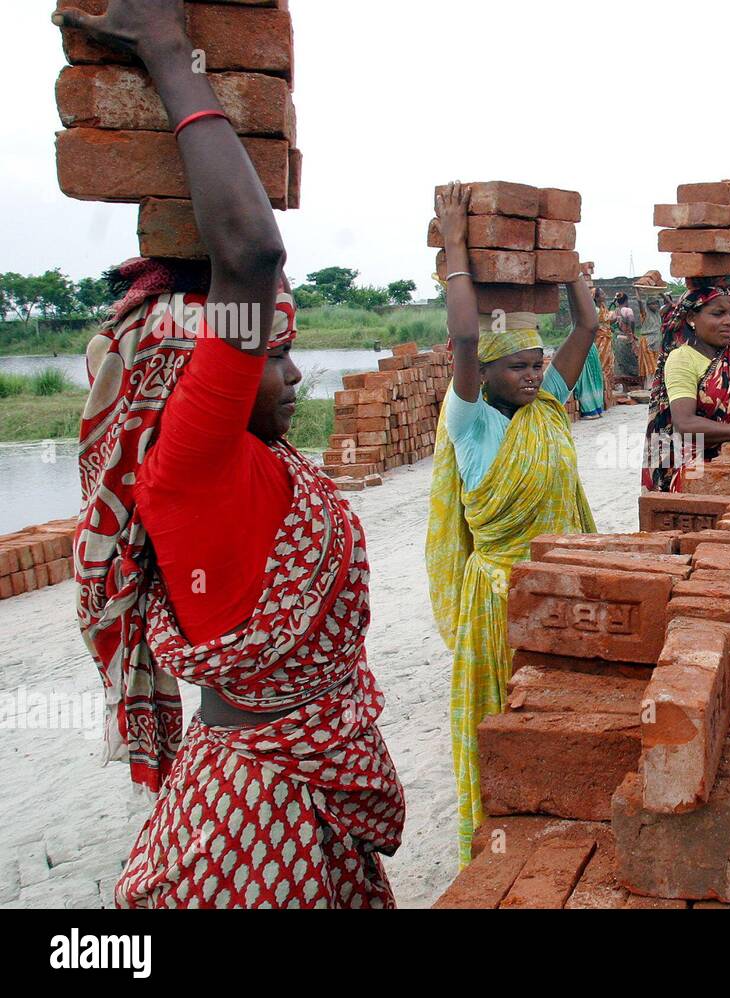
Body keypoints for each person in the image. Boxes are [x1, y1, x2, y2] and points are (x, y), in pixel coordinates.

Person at [64, 0, 405, 908]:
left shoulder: (270, 464)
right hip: (251, 811)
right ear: (187, 377)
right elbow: (250, 255)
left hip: (303, 790)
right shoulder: (190, 466)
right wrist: (173, 57)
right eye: (270, 353)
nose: (292, 373)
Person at [425, 182, 599, 866]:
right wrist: (459, 249)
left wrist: (569, 267)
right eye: (518, 367)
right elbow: (465, 332)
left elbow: (585, 330)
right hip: (498, 598)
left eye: (536, 364)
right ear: (485, 372)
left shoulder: (545, 409)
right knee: (506, 721)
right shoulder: (470, 423)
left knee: (560, 717)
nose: (533, 376)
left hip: (557, 587)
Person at [641, 246, 730, 492]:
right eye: (717, 313)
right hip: (701, 472)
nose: (729, 321)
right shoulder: (682, 359)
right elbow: (685, 424)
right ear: (692, 317)